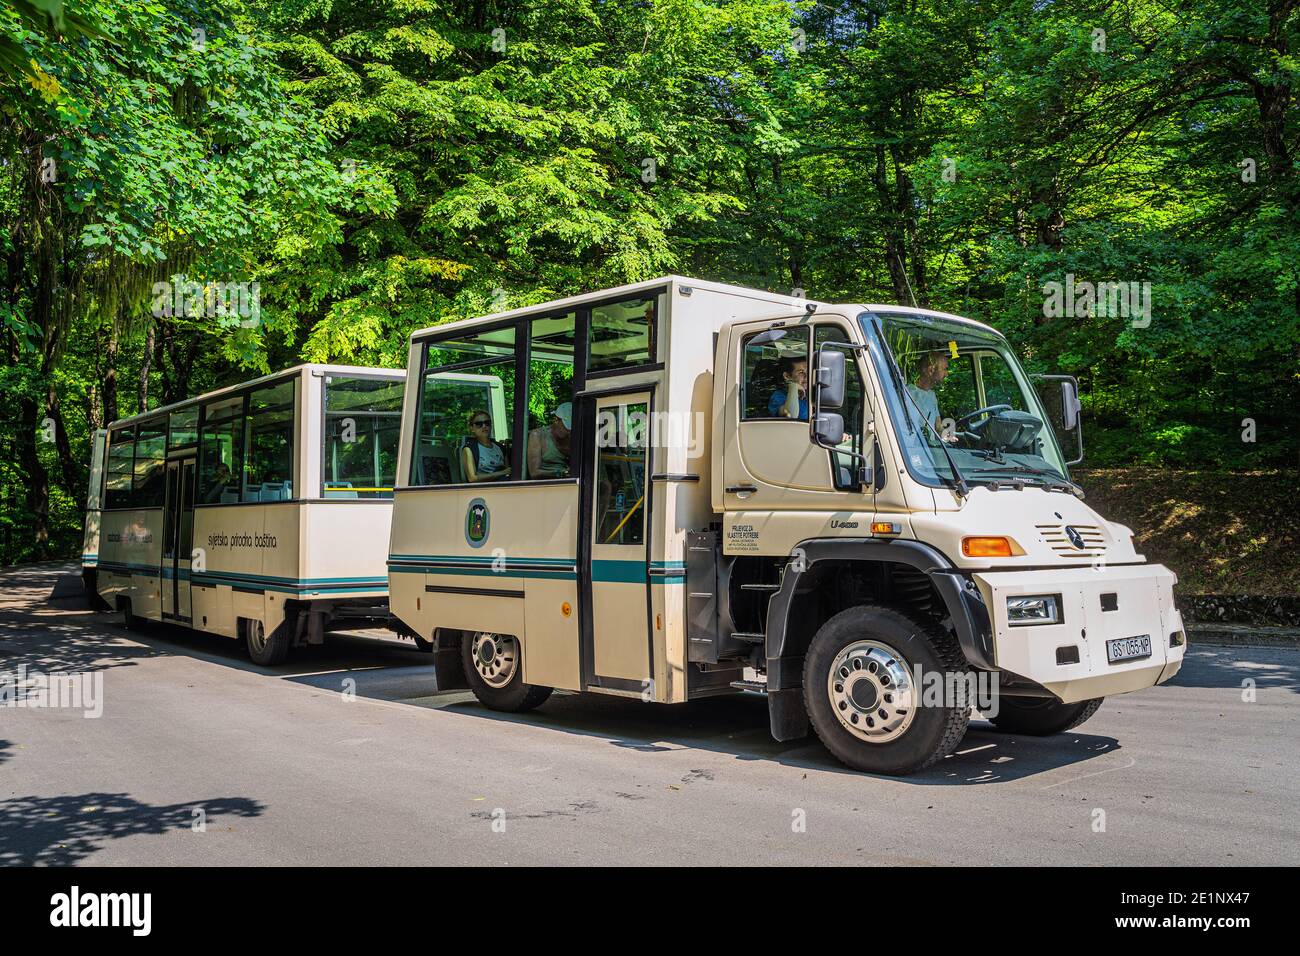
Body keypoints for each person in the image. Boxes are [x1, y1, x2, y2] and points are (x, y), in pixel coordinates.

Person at [906, 350, 954, 439]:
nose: (947, 374)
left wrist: (948, 436)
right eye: (944, 369)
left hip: (929, 449)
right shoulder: (909, 394)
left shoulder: (932, 395)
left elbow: (938, 427)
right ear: (931, 370)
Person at [461, 409, 510, 482]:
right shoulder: (469, 449)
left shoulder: (500, 447)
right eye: (479, 424)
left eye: (487, 423)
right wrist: (502, 473)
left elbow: (508, 471)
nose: (484, 426)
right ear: (472, 428)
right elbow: (472, 478)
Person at [528, 402, 572, 477]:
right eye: (565, 427)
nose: (568, 431)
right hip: (546, 485)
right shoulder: (537, 435)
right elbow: (534, 473)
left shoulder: (572, 437)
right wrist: (562, 473)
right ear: (556, 420)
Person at [768, 356, 809, 420]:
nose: (807, 377)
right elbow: (791, 415)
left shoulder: (814, 392)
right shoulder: (779, 396)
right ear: (787, 376)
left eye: (809, 372)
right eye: (801, 372)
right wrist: (793, 386)